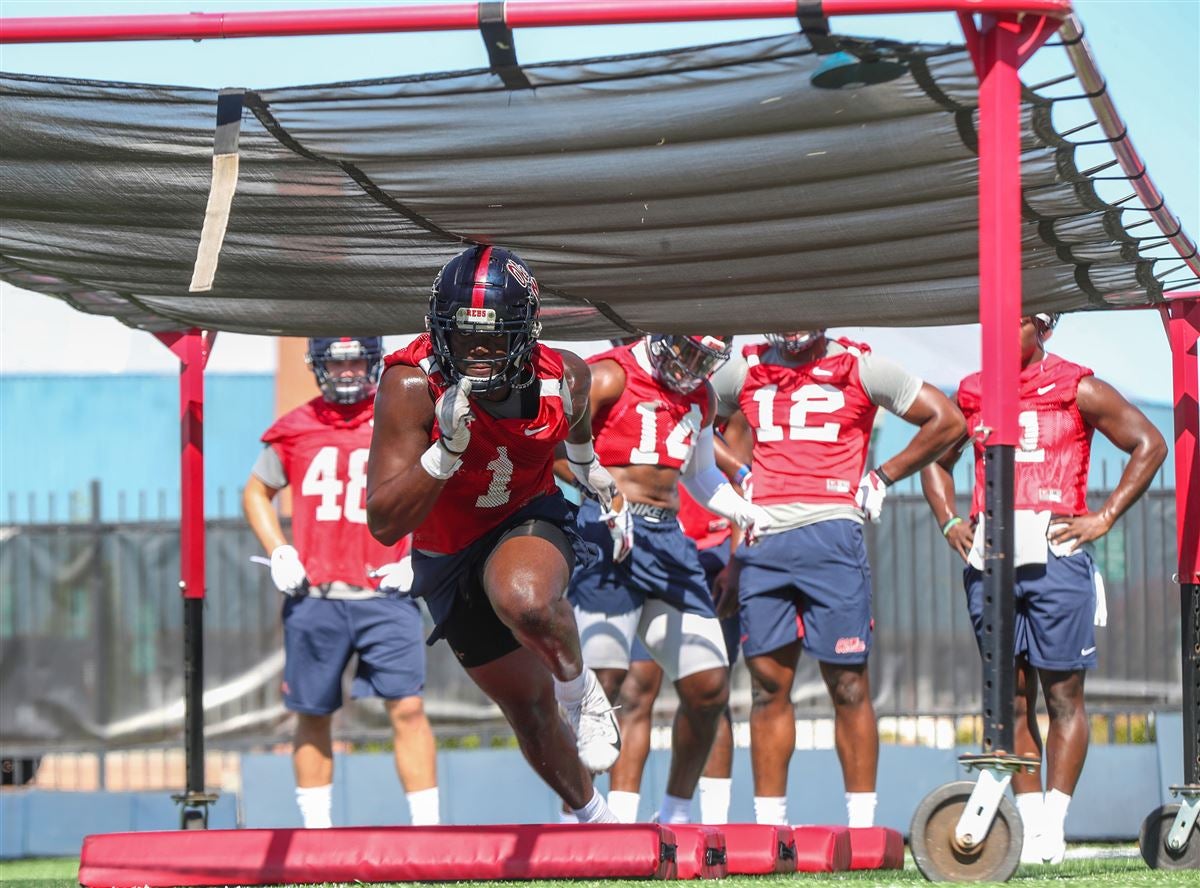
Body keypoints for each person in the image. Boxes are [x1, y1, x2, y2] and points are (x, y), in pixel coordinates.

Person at [365, 245, 626, 824]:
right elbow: (383, 523)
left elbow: (576, 420)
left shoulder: (567, 377)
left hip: (523, 514)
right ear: (439, 328)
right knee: (527, 708)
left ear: (527, 333)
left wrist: (589, 469)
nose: (477, 349)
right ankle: (597, 822)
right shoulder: (414, 385)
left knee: (526, 600)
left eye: (494, 335)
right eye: (461, 334)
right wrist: (444, 452)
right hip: (446, 549)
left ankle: (580, 690)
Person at [920, 312, 1166, 864]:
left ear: (1044, 329)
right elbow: (934, 459)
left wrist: (1103, 517)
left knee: (1063, 695)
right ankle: (1030, 829)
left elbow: (1150, 443)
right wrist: (947, 519)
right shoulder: (974, 390)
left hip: (1056, 554)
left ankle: (1053, 821)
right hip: (991, 557)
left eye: (1017, 323)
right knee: (1009, 698)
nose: (1003, 334)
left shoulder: (1079, 385)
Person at [712, 329, 965, 827]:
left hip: (832, 535)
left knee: (848, 684)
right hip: (764, 537)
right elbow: (686, 422)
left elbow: (948, 419)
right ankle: (770, 829)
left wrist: (883, 475)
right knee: (766, 688)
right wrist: (740, 472)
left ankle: (862, 826)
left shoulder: (861, 366)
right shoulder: (744, 367)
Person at [565, 334, 770, 825]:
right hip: (606, 528)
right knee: (602, 685)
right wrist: (601, 499)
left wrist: (739, 509)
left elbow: (700, 475)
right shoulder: (609, 375)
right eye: (687, 353)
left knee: (709, 686)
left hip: (666, 537)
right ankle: (577, 815)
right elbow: (555, 449)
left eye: (706, 360)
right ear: (660, 339)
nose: (692, 367)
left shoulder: (701, 395)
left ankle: (675, 814)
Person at [244, 336, 440, 828]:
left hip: (387, 590)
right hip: (318, 597)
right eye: (338, 361)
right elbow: (255, 493)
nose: (349, 371)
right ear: (318, 366)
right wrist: (279, 550)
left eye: (357, 360)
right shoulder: (295, 428)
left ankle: (429, 831)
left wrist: (423, 558)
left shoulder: (402, 421)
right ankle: (317, 833)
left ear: (374, 363)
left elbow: (442, 489)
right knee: (312, 711)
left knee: (409, 708)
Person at [606, 478, 746, 825]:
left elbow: (741, 477)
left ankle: (709, 822)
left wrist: (736, 561)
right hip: (642, 546)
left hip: (709, 558)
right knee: (632, 690)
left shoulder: (713, 425)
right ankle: (618, 821)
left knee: (711, 691)